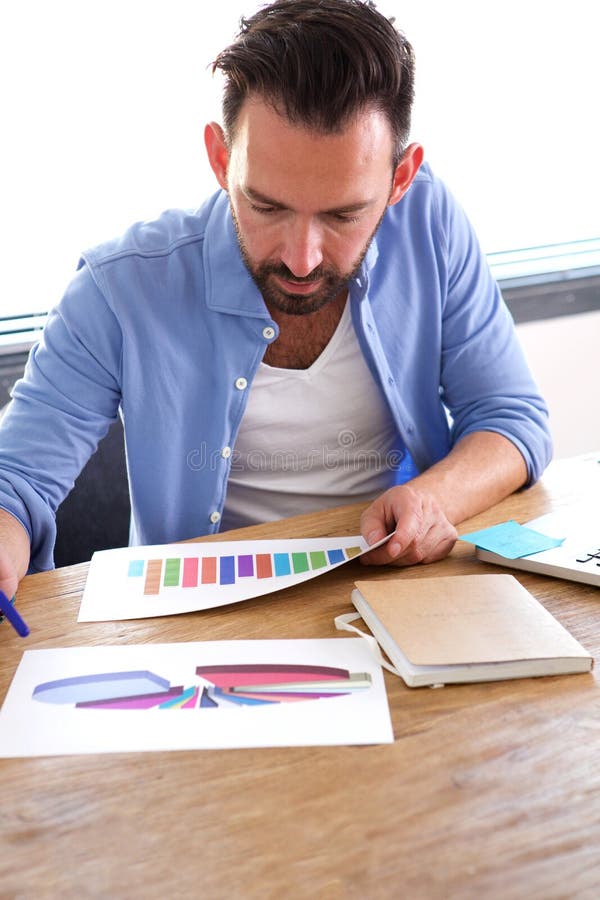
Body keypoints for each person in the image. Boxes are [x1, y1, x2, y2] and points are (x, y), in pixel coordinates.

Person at [0, 0, 551, 601]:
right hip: (201, 616)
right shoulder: (120, 286)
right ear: (221, 159)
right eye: (267, 206)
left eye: (343, 215)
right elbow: (16, 478)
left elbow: (510, 418)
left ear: (399, 179)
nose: (302, 259)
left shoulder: (429, 223)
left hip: (403, 593)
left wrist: (429, 499)